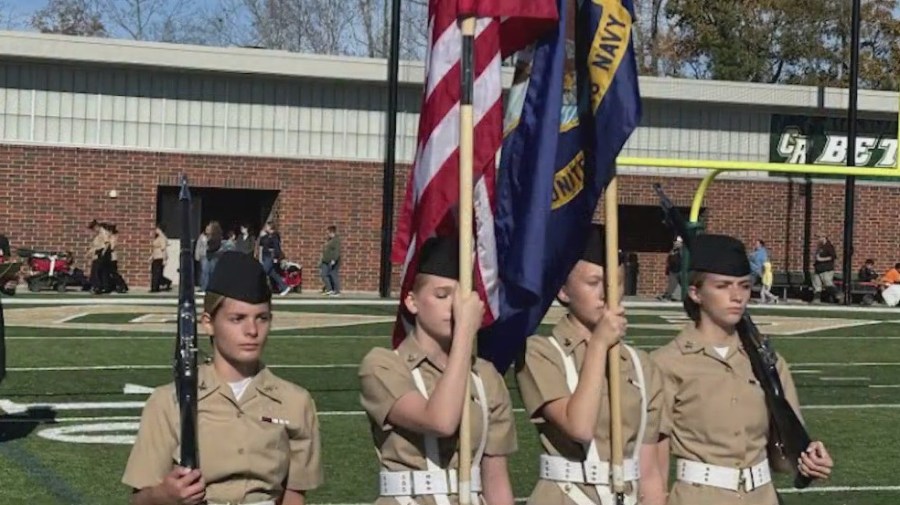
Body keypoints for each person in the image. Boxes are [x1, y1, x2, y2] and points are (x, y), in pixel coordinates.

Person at [122, 252, 323, 505]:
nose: (252, 331)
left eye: (262, 318)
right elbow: (139, 500)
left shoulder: (295, 402)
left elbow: (294, 495)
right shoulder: (169, 402)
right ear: (209, 323)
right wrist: (166, 495)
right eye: (237, 319)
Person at [650, 234, 833, 505]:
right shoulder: (666, 363)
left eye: (744, 286)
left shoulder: (768, 361)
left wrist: (807, 458)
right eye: (723, 286)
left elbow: (782, 458)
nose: (737, 296)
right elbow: (652, 463)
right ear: (695, 292)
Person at [358, 235, 517, 505]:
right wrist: (465, 334)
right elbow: (440, 421)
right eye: (442, 295)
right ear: (412, 301)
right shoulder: (383, 365)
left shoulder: (485, 375)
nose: (455, 308)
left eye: (462, 297)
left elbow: (496, 477)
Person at [515, 224, 666, 505]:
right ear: (563, 290)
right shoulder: (541, 352)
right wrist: (598, 345)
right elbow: (579, 426)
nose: (606, 294)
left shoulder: (640, 365)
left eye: (616, 282)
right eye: (593, 283)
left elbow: (650, 470)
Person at [811, 235, 836, 304]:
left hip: (826, 269)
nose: (818, 239)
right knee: (816, 285)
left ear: (824, 238)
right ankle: (816, 299)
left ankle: (838, 295)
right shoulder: (820, 247)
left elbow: (833, 257)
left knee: (828, 283)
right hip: (818, 269)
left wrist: (821, 259)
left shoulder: (829, 246)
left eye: (819, 238)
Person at [150, 225, 173, 292]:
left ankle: (155, 288)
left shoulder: (162, 238)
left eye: (156, 229)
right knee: (156, 273)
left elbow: (163, 249)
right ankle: (165, 283)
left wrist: (164, 259)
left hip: (160, 257)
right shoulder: (157, 238)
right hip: (155, 257)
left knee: (157, 273)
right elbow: (154, 248)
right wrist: (151, 256)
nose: (155, 231)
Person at [320, 226, 341, 296]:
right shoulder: (329, 240)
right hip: (326, 260)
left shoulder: (336, 240)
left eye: (328, 232)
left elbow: (337, 251)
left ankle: (337, 291)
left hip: (332, 261)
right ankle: (329, 289)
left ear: (332, 232)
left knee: (333, 275)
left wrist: (334, 260)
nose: (327, 234)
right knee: (324, 275)